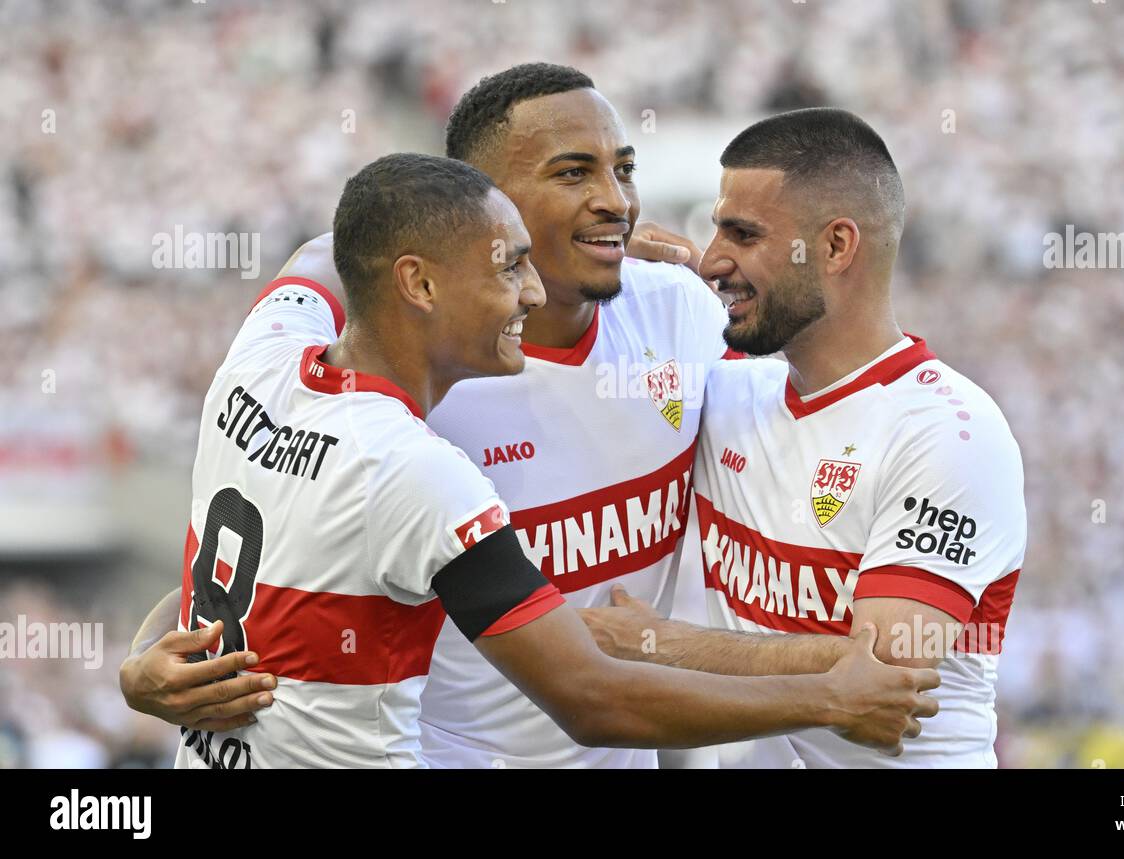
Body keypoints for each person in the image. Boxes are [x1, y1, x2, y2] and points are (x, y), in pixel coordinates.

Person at [126, 149, 940, 768]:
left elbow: (328, 247)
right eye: (506, 263)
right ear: (418, 282)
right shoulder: (414, 471)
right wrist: (827, 694)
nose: (530, 290)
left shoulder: (263, 355)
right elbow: (590, 695)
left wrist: (139, 664)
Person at [581, 108, 1028, 768]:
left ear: (837, 246)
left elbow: (882, 684)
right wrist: (610, 277)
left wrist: (660, 645)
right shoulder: (730, 392)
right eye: (714, 229)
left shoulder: (949, 432)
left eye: (744, 234)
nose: (714, 259)